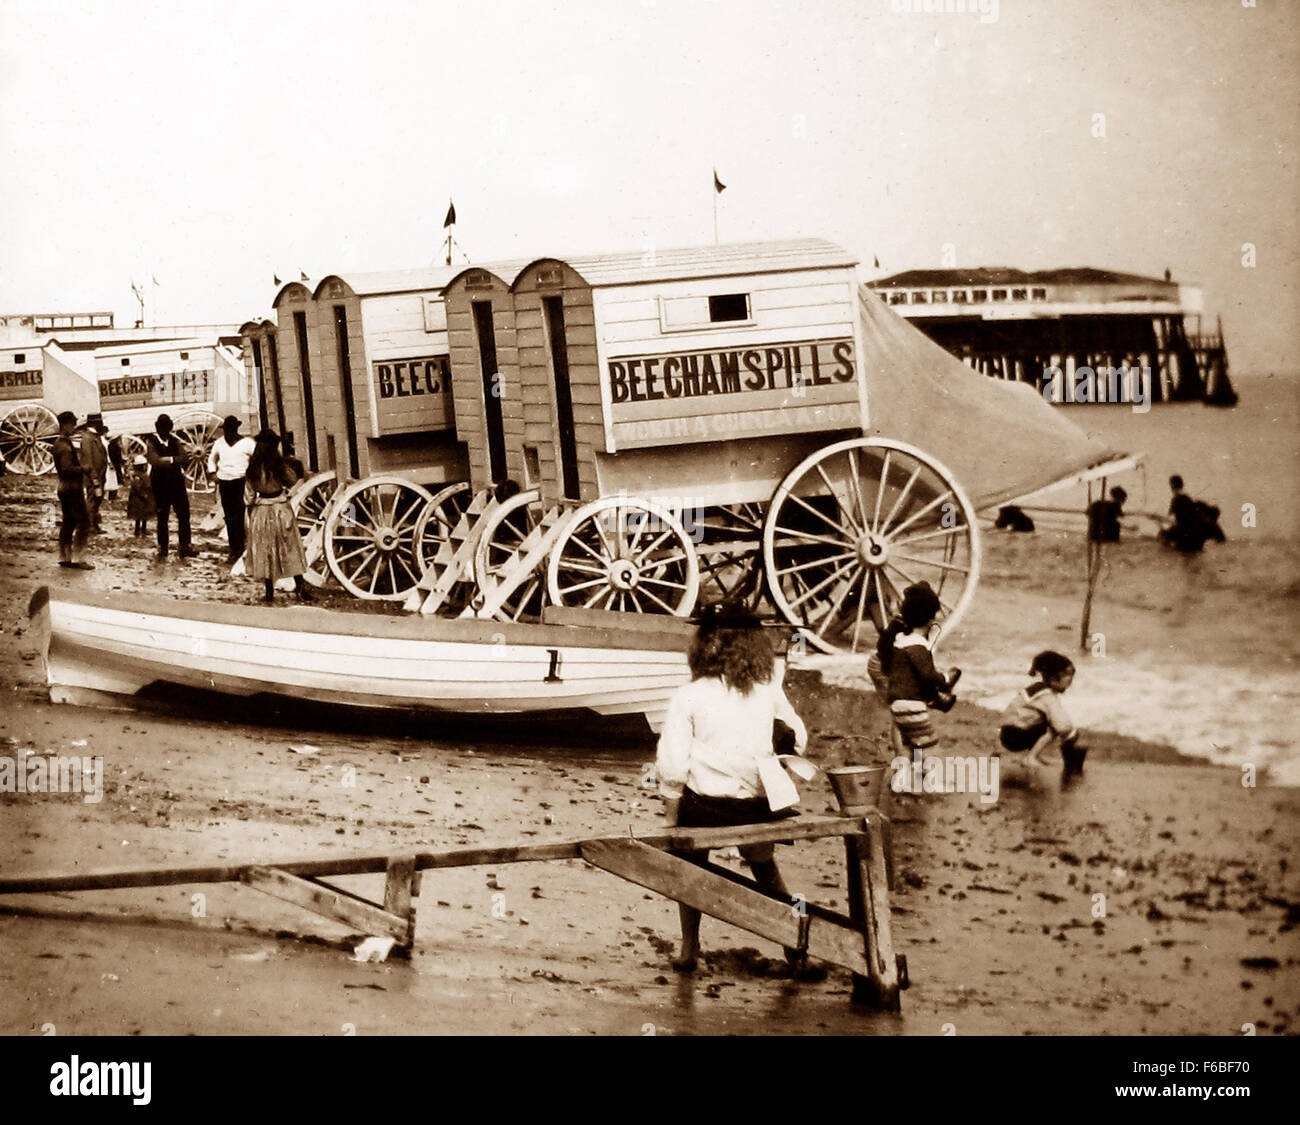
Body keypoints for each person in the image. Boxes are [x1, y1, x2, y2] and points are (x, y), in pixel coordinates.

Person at [655, 606, 809, 973]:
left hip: (705, 808)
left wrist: (671, 816)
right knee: (763, 864)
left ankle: (690, 946)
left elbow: (673, 763)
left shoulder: (690, 695)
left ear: (703, 645)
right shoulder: (766, 692)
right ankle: (792, 944)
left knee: (691, 865)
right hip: (755, 806)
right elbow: (798, 740)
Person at [875, 582, 959, 755]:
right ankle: (931, 781)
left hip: (897, 704)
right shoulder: (919, 646)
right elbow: (928, 675)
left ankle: (901, 780)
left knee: (909, 748)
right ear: (930, 620)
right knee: (930, 749)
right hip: (912, 705)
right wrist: (944, 679)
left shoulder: (900, 641)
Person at [244, 429, 312, 602]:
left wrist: (251, 512)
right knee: (290, 548)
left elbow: (249, 497)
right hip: (281, 509)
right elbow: (294, 480)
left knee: (265, 550)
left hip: (262, 512)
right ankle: (300, 586)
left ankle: (269, 591)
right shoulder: (278, 465)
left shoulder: (252, 469)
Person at [999, 651, 1086, 773]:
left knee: (1039, 719)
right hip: (1017, 737)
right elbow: (1063, 726)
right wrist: (1072, 734)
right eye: (1068, 675)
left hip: (1006, 734)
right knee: (1054, 727)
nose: (1070, 681)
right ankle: (1031, 757)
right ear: (1055, 678)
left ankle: (1033, 755)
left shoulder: (1035, 689)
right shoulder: (1047, 696)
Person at [145, 414, 199, 561]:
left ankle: (184, 545)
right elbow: (154, 461)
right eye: (162, 428)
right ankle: (163, 546)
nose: (165, 430)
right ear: (158, 428)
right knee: (162, 516)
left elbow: (185, 458)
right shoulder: (151, 441)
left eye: (167, 428)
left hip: (176, 484)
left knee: (184, 514)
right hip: (160, 484)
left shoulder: (175, 441)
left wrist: (168, 460)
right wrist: (174, 460)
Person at [208, 415, 257, 563]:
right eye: (227, 430)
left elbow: (256, 459)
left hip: (240, 481)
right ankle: (233, 549)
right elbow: (212, 459)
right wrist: (212, 473)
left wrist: (251, 475)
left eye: (231, 429)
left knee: (240, 514)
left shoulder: (247, 443)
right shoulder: (219, 443)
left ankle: (241, 547)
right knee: (229, 516)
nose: (229, 433)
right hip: (224, 482)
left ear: (236, 429)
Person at [50, 411, 93, 569]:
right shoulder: (64, 446)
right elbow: (67, 469)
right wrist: (83, 468)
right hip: (71, 487)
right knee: (83, 522)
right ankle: (78, 558)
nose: (74, 427)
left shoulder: (59, 443)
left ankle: (64, 557)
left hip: (63, 486)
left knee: (68, 522)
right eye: (72, 424)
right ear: (65, 425)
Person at [77, 415, 110, 534]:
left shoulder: (95, 437)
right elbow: (88, 461)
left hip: (100, 475)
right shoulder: (87, 438)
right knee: (92, 500)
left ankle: (94, 525)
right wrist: (95, 479)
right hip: (92, 476)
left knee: (97, 500)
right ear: (96, 424)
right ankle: (89, 526)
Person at [126, 454, 153, 537]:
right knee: (139, 515)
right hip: (138, 499)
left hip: (144, 497)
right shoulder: (137, 476)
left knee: (145, 515)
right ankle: (137, 530)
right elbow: (137, 487)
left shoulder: (144, 475)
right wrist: (143, 495)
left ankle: (143, 529)